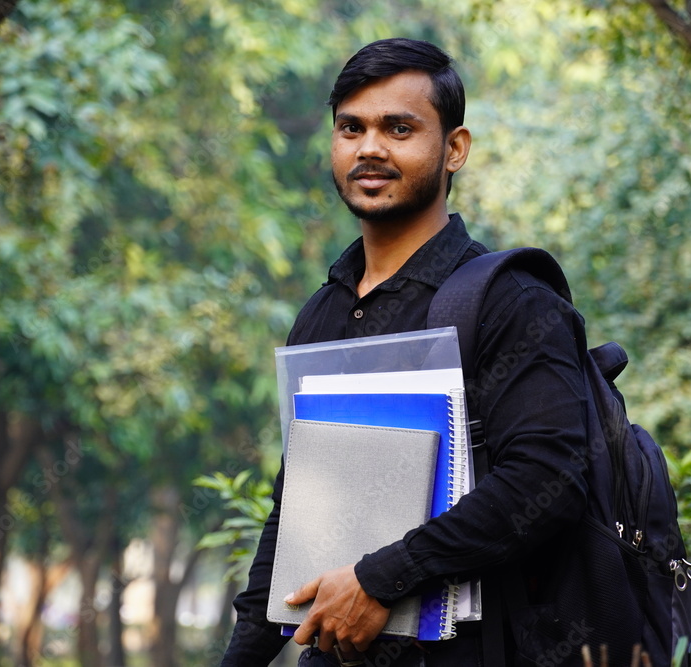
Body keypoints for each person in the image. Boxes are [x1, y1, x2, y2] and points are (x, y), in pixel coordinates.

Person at [221, 37, 590, 667]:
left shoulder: (512, 301)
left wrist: (379, 577)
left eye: (399, 128)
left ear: (454, 149)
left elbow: (549, 479)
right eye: (351, 128)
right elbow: (294, 514)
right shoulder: (322, 314)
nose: (369, 147)